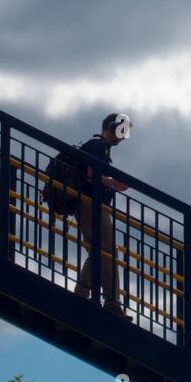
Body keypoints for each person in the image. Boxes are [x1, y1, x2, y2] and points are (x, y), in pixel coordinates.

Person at [73, 112, 133, 315]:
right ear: (111, 127)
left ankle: (87, 295)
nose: (123, 137)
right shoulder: (99, 146)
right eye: (121, 131)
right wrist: (114, 183)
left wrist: (112, 183)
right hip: (90, 203)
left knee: (101, 250)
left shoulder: (99, 147)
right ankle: (111, 302)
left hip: (91, 203)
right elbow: (91, 175)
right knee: (106, 250)